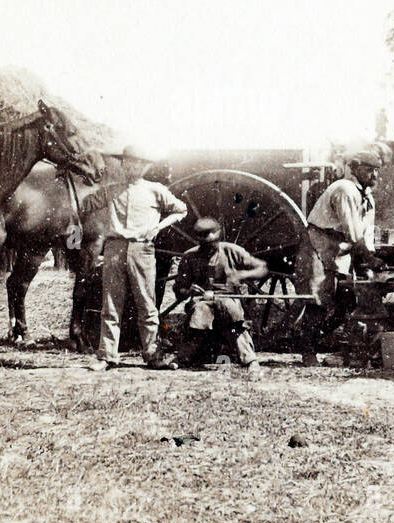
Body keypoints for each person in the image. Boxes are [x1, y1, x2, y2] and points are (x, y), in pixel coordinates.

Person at [88, 144, 187, 371]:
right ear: (123, 164)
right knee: (111, 303)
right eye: (128, 162)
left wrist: (158, 228)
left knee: (146, 303)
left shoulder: (155, 190)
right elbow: (85, 204)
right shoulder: (110, 191)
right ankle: (107, 356)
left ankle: (152, 354)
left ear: (145, 166)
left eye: (138, 163)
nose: (132, 166)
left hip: (142, 250)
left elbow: (181, 210)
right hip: (113, 249)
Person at [300, 148, 382, 365]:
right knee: (318, 302)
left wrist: (370, 257)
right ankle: (307, 351)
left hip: (340, 252)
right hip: (319, 247)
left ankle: (313, 342)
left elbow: (367, 231)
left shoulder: (367, 195)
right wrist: (369, 259)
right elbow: (354, 232)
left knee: (345, 305)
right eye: (369, 170)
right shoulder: (344, 189)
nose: (374, 176)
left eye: (376, 171)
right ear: (354, 169)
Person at [172, 218, 269, 376]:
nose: (209, 248)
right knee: (200, 313)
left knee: (231, 312)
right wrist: (189, 290)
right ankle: (183, 358)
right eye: (204, 244)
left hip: (229, 298)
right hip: (201, 300)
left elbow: (262, 268)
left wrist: (243, 274)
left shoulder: (232, 251)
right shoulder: (189, 257)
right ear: (198, 240)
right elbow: (179, 289)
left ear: (218, 238)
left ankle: (250, 360)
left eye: (212, 243)